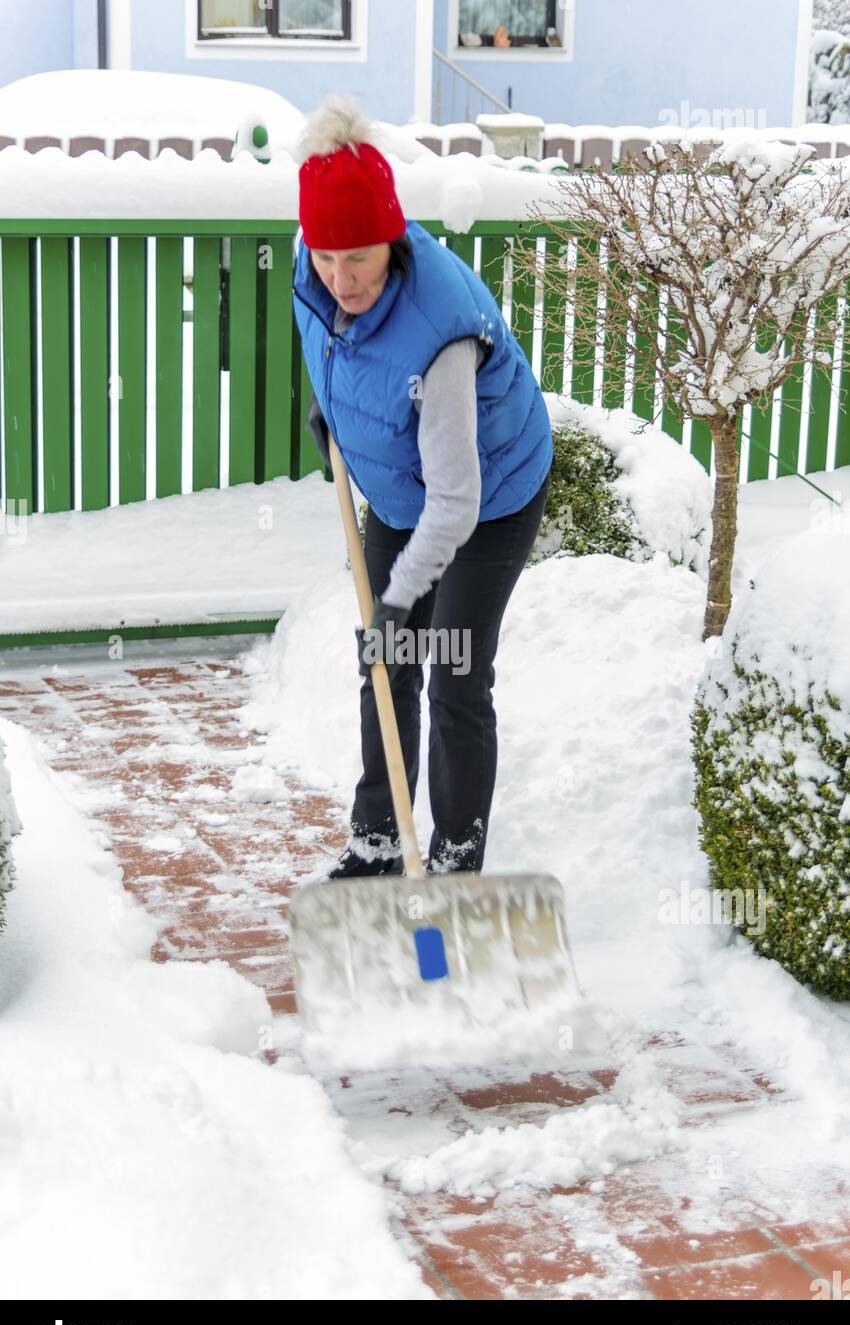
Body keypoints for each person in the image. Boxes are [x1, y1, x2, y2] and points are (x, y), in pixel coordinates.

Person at [292, 94, 552, 877]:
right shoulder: (313, 264)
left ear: (394, 241)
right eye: (328, 259)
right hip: (406, 492)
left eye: (359, 259)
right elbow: (343, 347)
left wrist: (403, 597)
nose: (342, 278)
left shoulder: (441, 332)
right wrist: (332, 407)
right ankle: (379, 835)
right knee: (386, 663)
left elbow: (457, 501)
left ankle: (454, 854)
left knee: (455, 674)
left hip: (488, 496)